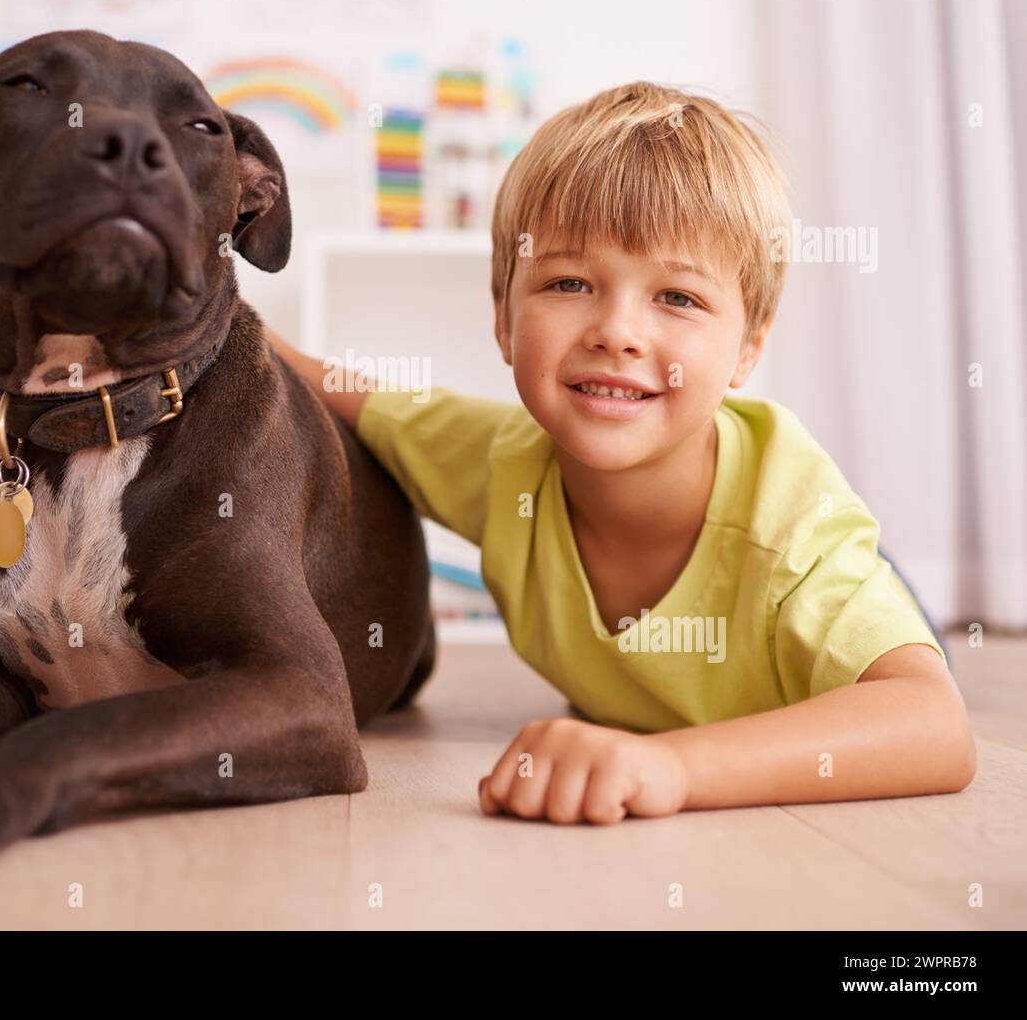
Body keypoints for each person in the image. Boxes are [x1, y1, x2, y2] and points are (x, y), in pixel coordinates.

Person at [267, 81, 975, 826]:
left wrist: (673, 764)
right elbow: (352, 392)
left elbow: (935, 723)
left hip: (831, 619)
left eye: (677, 297)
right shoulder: (501, 462)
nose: (617, 331)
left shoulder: (792, 537)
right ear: (503, 316)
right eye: (570, 282)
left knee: (892, 638)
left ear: (750, 346)